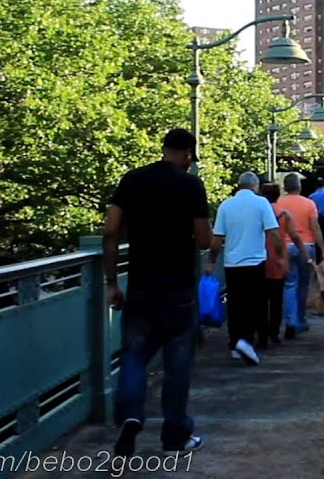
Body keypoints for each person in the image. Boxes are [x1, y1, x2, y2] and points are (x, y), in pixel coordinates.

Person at [103, 128, 211, 457]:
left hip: (139, 288)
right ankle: (174, 436)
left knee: (134, 355)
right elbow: (204, 240)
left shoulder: (132, 180)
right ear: (188, 154)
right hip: (179, 291)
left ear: (164, 149)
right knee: (177, 367)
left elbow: (109, 232)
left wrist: (110, 283)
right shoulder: (191, 184)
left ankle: (131, 417)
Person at [208, 171, 279, 366]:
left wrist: (211, 260)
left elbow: (217, 238)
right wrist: (280, 256)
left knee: (235, 304)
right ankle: (247, 340)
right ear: (255, 186)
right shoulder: (262, 203)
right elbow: (272, 232)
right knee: (255, 303)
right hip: (255, 262)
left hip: (232, 263)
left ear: (239, 185)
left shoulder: (226, 205)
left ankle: (235, 342)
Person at [276, 172, 324, 338]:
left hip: (284, 247)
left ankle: (291, 321)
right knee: (303, 285)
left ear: (285, 187)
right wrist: (322, 249)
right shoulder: (309, 204)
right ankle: (301, 320)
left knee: (290, 284)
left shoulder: (278, 203)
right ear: (299, 186)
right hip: (306, 247)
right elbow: (315, 228)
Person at [258, 183, 301, 348]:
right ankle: (274, 332)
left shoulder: (258, 212)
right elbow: (294, 236)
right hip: (278, 261)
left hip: (260, 260)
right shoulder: (284, 214)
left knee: (261, 300)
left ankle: (261, 334)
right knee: (276, 300)